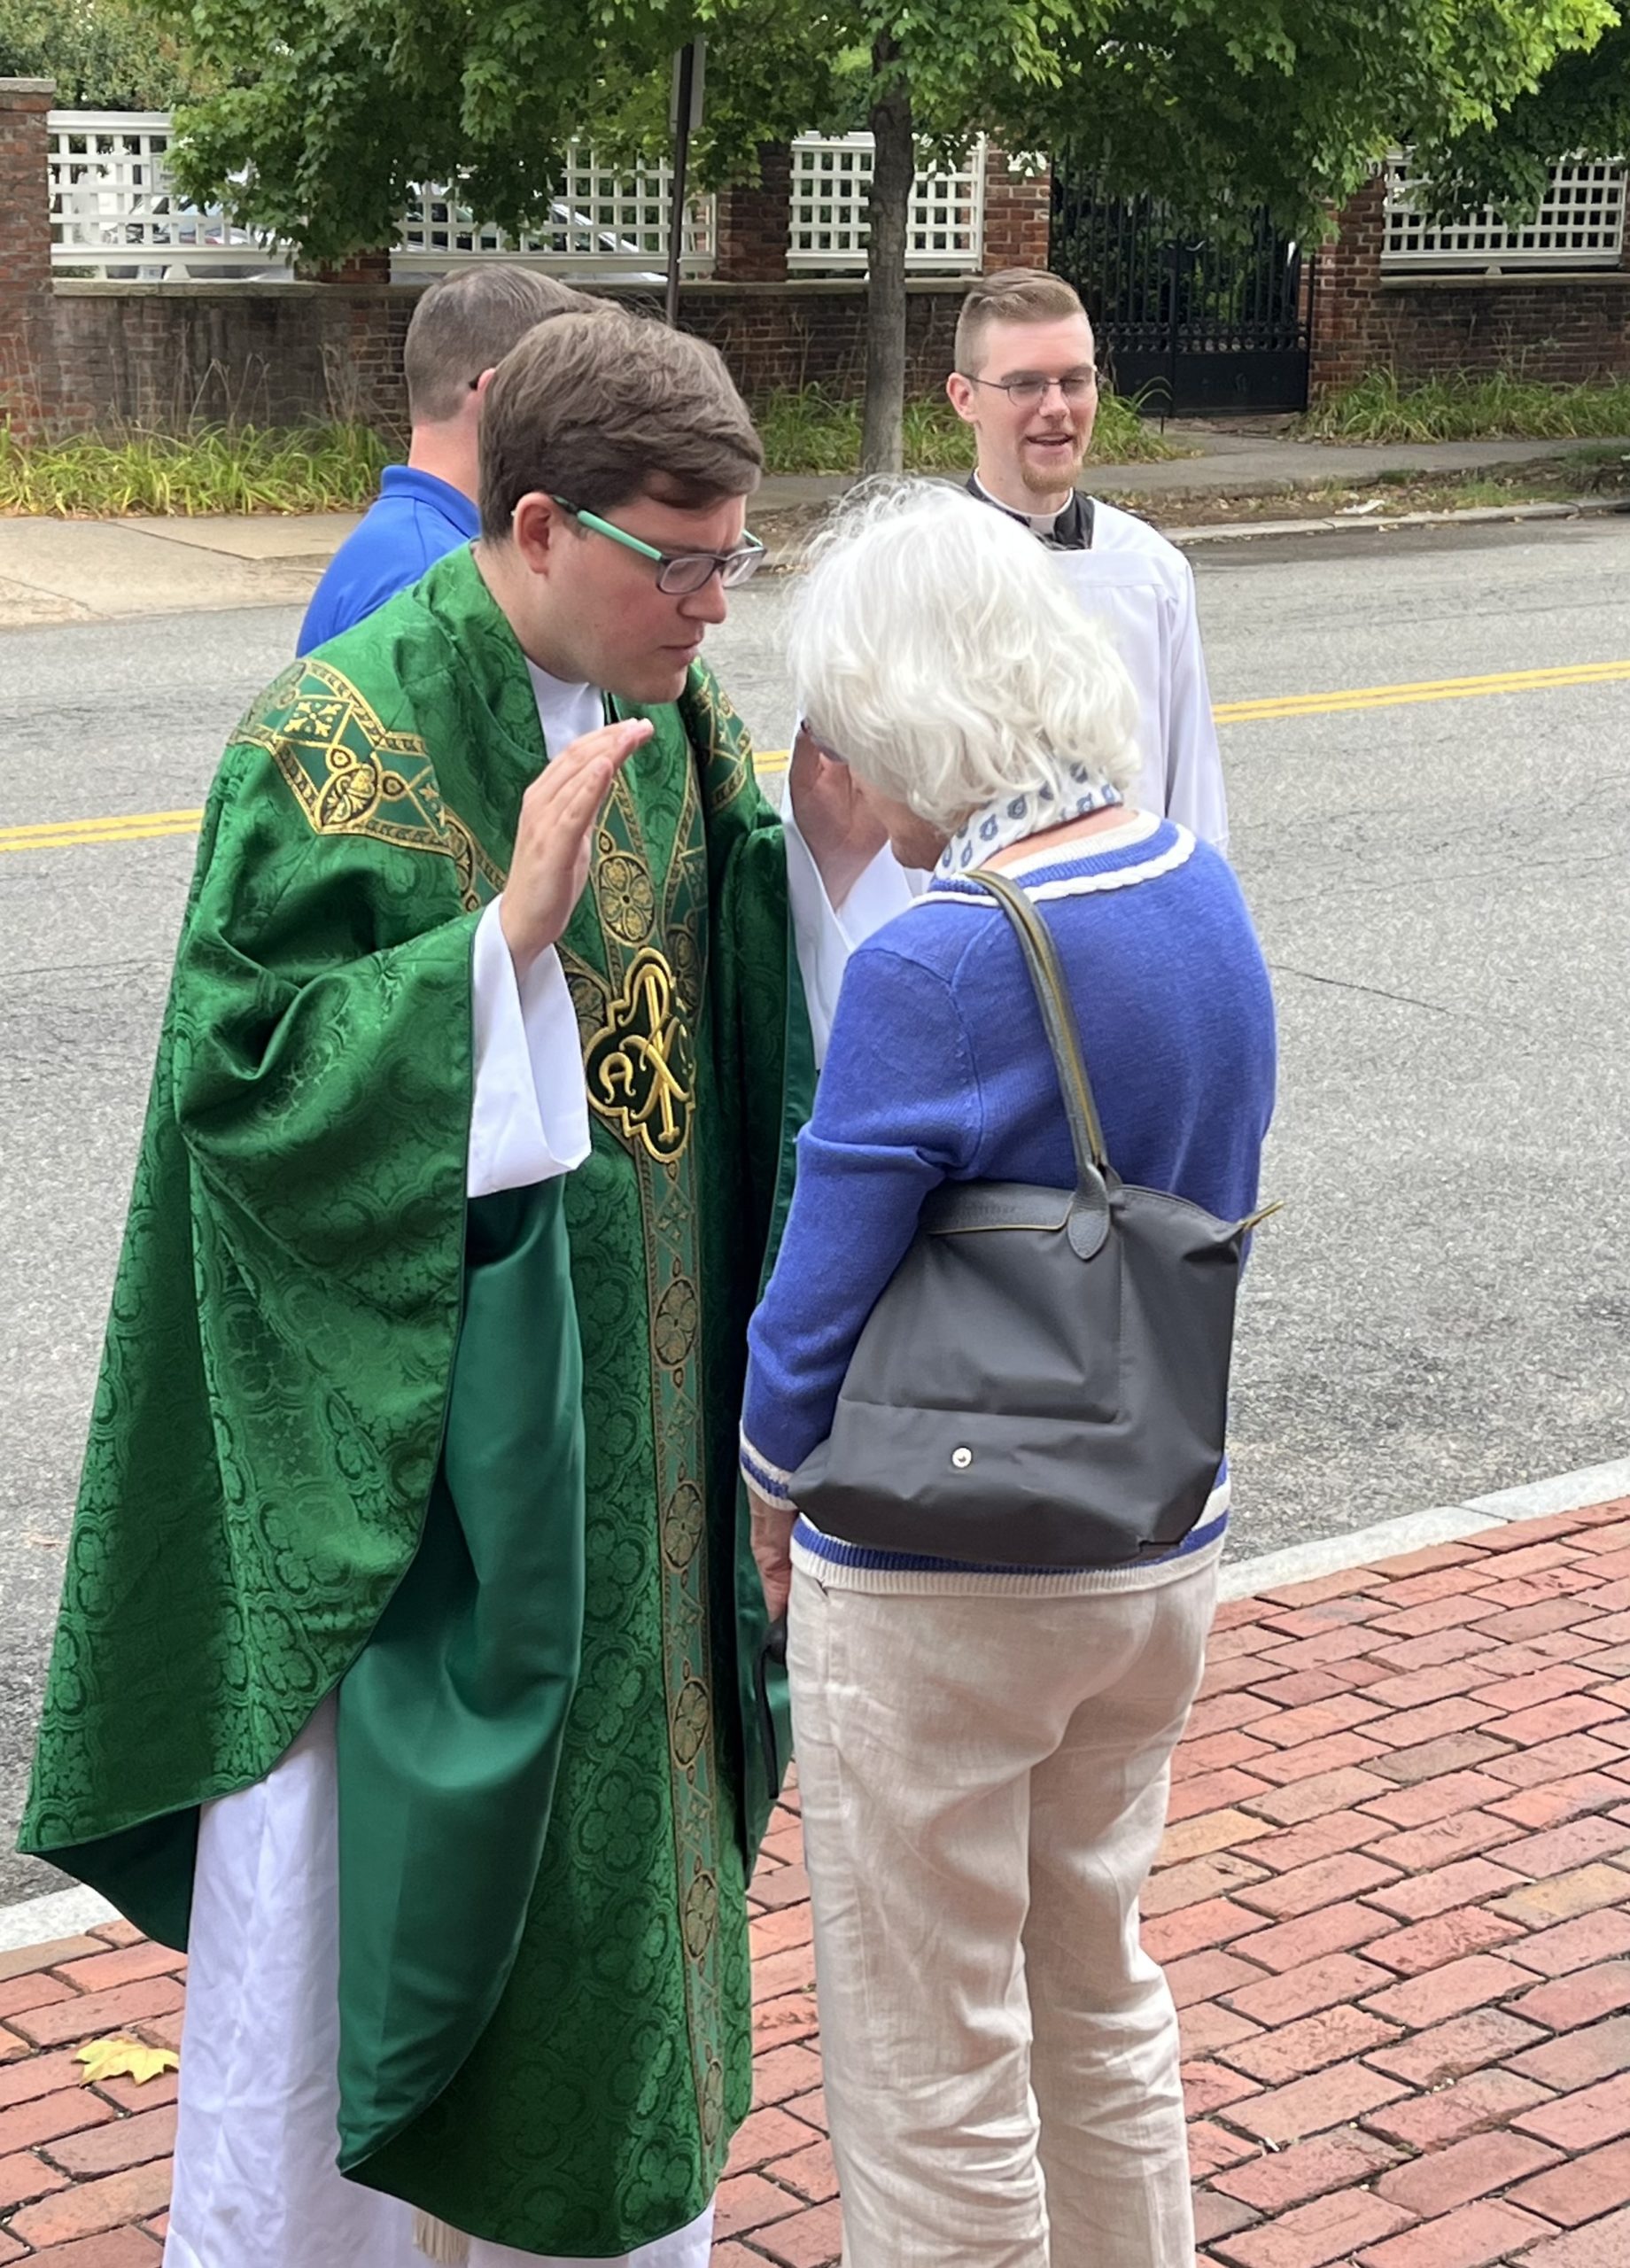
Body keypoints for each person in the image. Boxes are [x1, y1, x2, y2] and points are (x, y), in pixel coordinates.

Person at [19, 309, 881, 2268]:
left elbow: (741, 1038)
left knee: (613, 1973)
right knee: (355, 1963)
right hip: (412, 1529)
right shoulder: (329, 740)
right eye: (681, 561)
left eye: (736, 557)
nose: (712, 609)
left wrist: (817, 882)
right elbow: (243, 1093)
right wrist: (493, 946)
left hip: (636, 1474)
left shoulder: (681, 730)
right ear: (543, 521)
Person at [740, 483, 1276, 2267]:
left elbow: (807, 1317)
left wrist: (761, 1491)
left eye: (849, 738)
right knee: (1092, 1986)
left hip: (946, 1576)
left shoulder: (944, 960)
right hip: (1153, 1524)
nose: (850, 786)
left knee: (928, 2058)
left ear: (909, 713)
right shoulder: (1196, 893)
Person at [948, 268, 1230, 853]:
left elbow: (1193, 789)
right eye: (1024, 385)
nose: (1056, 408)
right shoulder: (920, 577)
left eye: (1074, 381)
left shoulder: (1150, 572)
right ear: (965, 397)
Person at [298, 266, 603, 653]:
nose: (586, 425)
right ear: (498, 397)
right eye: (567, 395)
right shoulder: (431, 574)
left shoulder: (415, 542)